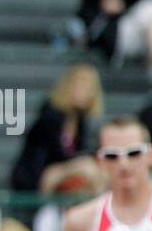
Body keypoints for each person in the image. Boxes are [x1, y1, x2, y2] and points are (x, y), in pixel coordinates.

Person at [12, 62, 102, 193]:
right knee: (87, 168)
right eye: (80, 86)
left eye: (89, 89)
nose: (84, 93)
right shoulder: (51, 117)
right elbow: (42, 159)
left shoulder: (81, 121)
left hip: (62, 175)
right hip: (39, 177)